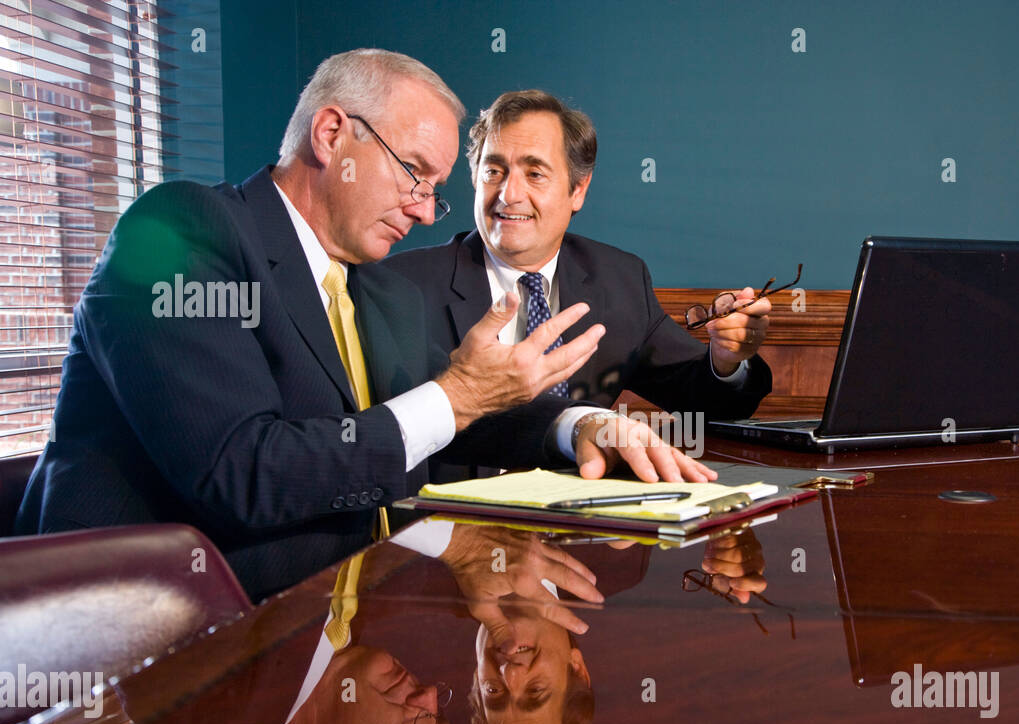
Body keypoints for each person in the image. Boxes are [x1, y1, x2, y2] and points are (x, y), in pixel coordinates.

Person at [15, 51, 712, 600]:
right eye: (413, 172)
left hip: (343, 615)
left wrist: (578, 425)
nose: (420, 207)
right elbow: (242, 472)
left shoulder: (376, 287)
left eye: (435, 190)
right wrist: (460, 396)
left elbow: (454, 408)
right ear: (331, 134)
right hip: (162, 668)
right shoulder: (182, 233)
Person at [384, 89, 775, 451]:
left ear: (578, 190)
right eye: (493, 171)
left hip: (576, 511)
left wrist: (727, 361)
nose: (509, 194)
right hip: (450, 515)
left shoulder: (620, 279)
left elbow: (705, 400)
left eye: (534, 174)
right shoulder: (400, 287)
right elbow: (385, 434)